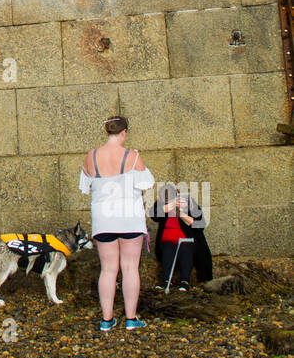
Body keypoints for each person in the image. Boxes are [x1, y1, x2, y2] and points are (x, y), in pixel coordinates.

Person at [79, 116, 155, 332]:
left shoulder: (90, 156)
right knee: (130, 268)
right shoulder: (132, 156)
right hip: (129, 217)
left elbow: (85, 187)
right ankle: (131, 319)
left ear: (107, 132)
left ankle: (106, 320)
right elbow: (147, 183)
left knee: (108, 269)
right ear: (124, 133)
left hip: (103, 218)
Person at [148, 184, 211, 290]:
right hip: (168, 239)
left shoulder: (188, 202)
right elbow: (153, 215)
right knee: (168, 247)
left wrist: (180, 213)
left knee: (185, 246)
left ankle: (185, 281)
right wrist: (169, 206)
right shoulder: (163, 203)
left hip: (187, 239)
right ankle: (166, 280)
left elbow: (200, 224)